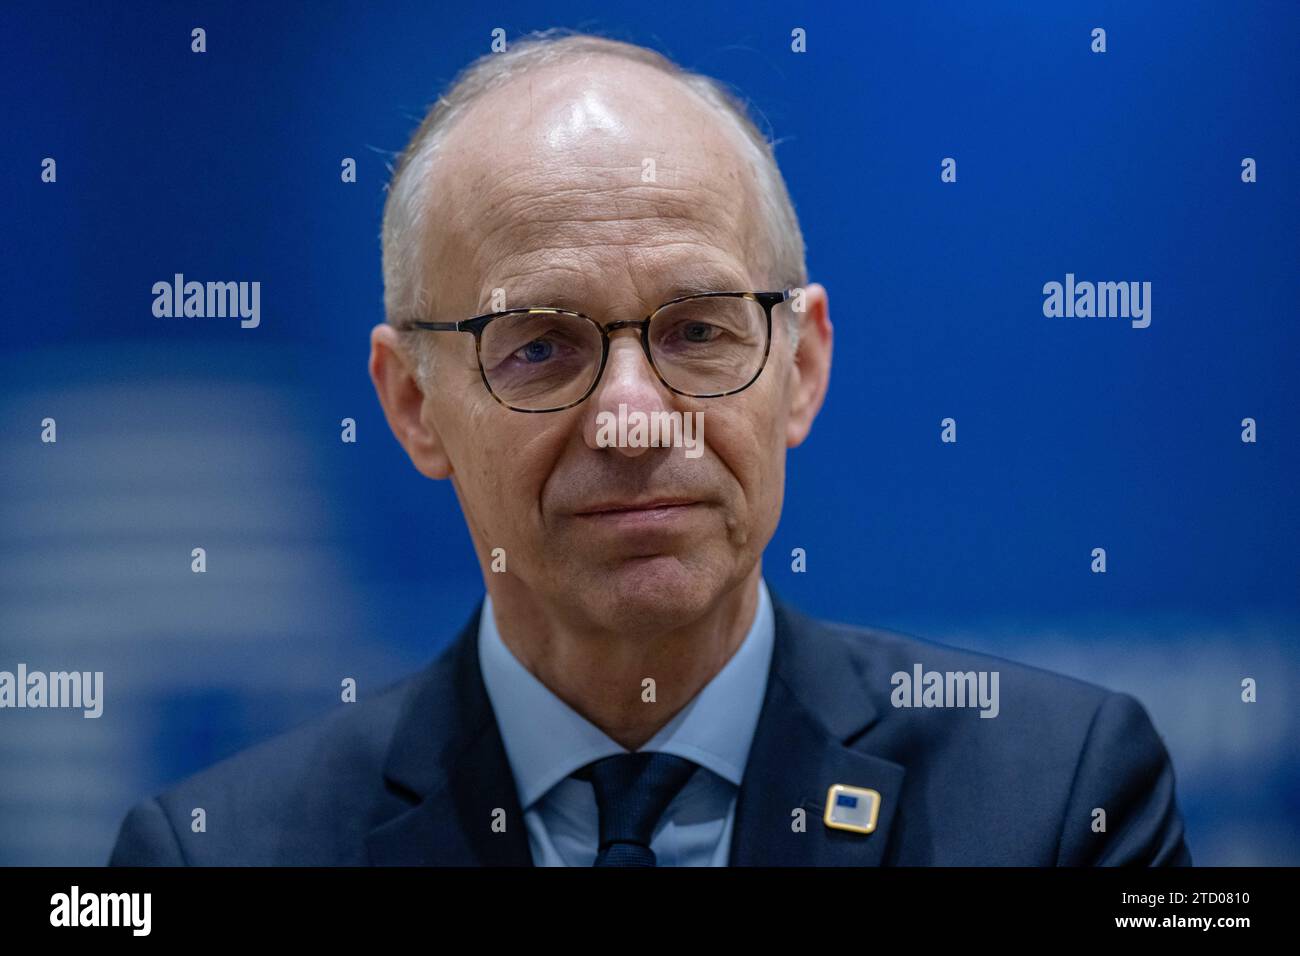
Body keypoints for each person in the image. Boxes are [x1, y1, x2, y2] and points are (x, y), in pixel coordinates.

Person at [109, 32, 1191, 867]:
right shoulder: (218, 853)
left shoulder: (1063, 800)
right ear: (412, 404)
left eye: (697, 331)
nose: (632, 419)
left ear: (801, 368)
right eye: (537, 346)